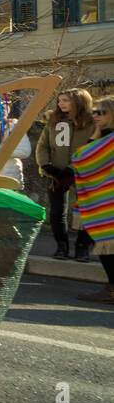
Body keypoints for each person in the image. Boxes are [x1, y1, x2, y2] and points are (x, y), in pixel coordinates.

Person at [36, 87, 96, 259]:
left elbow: (94, 147)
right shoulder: (53, 120)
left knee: (88, 211)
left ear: (79, 102)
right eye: (60, 100)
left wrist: (73, 167)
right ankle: (61, 246)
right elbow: (43, 145)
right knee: (57, 212)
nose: (60, 104)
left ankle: (82, 247)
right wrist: (46, 165)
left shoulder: (93, 122)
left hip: (84, 173)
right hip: (55, 174)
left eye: (65, 100)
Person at [74, 96, 114, 304]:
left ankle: (111, 290)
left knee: (108, 246)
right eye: (94, 112)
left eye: (102, 112)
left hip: (109, 202)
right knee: (105, 246)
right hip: (104, 202)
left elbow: (82, 158)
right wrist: (97, 131)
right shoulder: (104, 137)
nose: (96, 116)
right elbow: (82, 157)